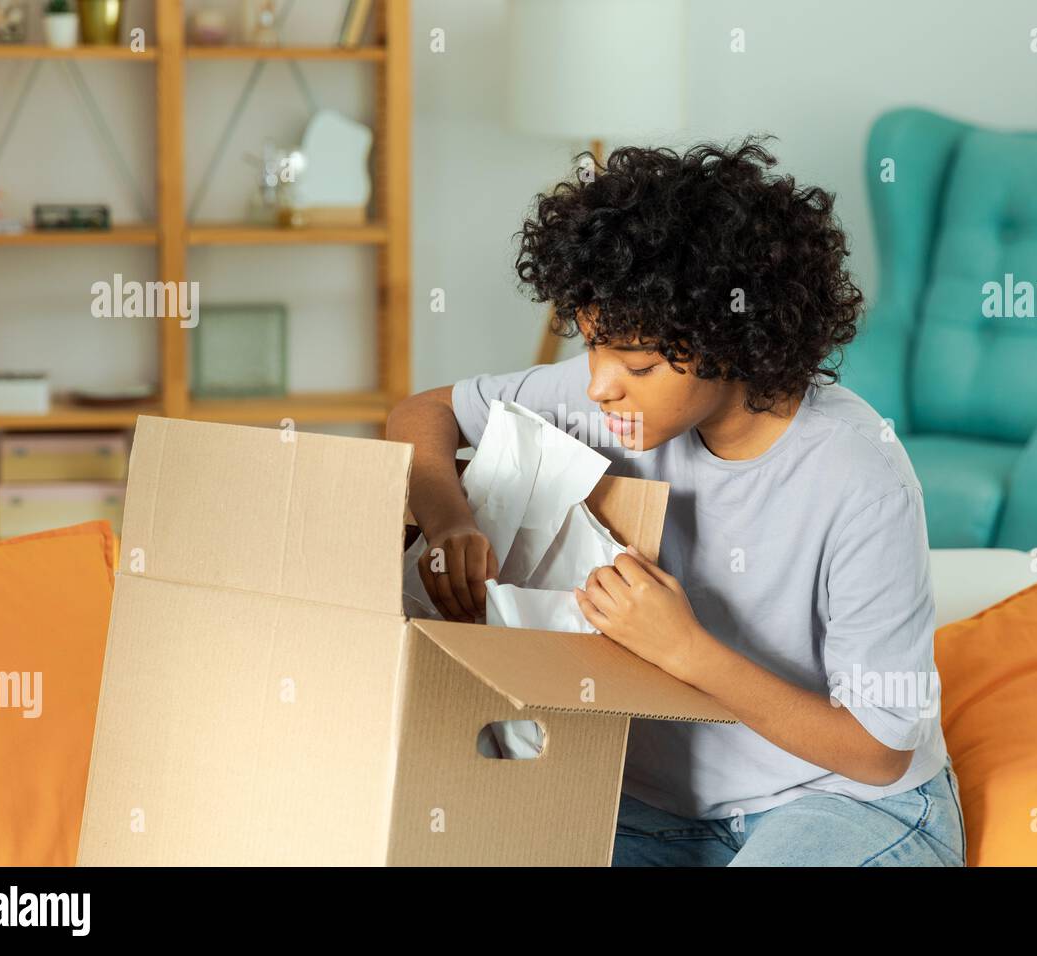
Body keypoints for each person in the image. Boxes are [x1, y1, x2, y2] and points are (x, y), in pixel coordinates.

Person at [385, 135, 966, 867]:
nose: (598, 384)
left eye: (637, 364)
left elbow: (880, 752)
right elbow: (422, 412)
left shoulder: (860, 475)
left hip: (844, 800)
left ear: (733, 342)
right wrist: (448, 516)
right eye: (593, 346)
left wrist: (685, 649)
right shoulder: (612, 399)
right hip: (650, 809)